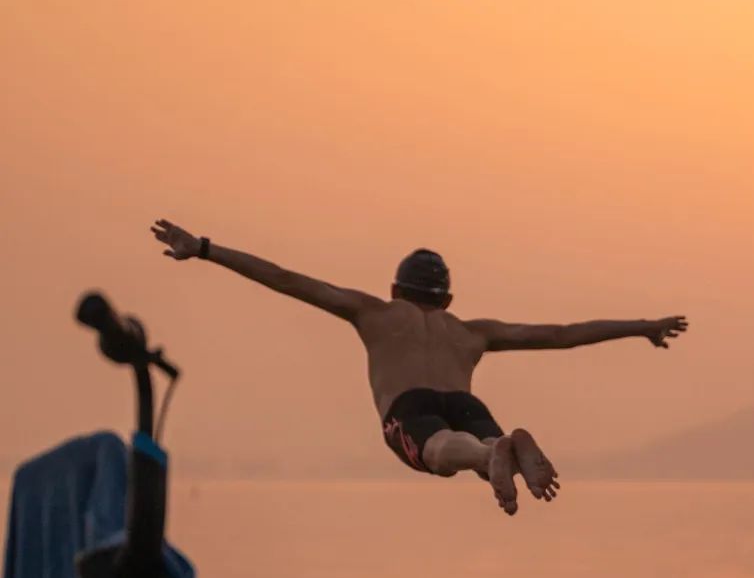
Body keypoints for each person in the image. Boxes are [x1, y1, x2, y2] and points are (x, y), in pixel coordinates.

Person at [150, 221, 688, 516]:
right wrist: (643, 325)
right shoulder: (470, 332)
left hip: (410, 406)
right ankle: (495, 448)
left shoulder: (374, 313)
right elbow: (561, 336)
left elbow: (287, 279)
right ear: (448, 297)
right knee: (476, 446)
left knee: (435, 452)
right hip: (468, 402)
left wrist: (203, 248)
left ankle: (489, 453)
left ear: (396, 290)